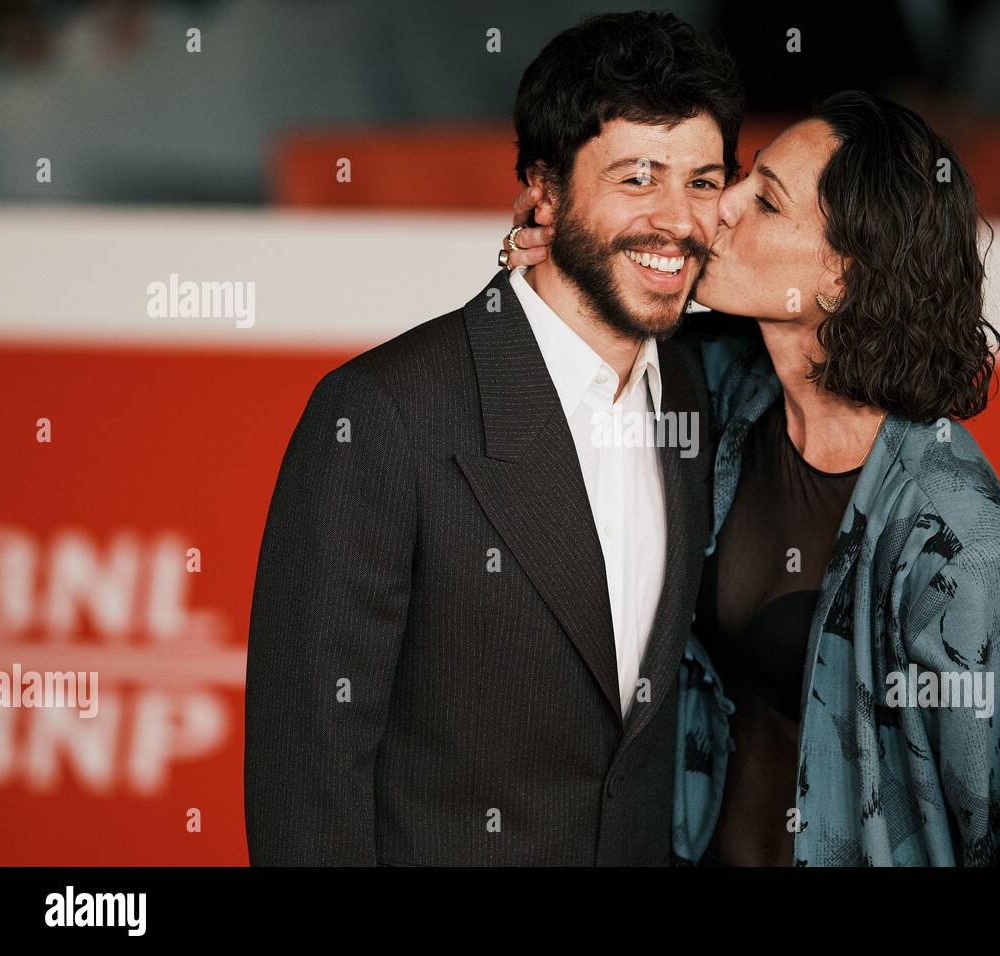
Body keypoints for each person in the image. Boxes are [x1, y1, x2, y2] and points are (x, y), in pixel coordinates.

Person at [503, 90, 1000, 866]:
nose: (721, 204)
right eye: (742, 177)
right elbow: (566, 360)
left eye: (765, 201)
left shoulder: (962, 554)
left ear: (842, 280)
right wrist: (562, 249)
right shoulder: (723, 387)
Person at [243, 11, 741, 866]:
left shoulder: (698, 395)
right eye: (637, 179)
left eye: (702, 182)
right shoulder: (383, 416)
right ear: (543, 191)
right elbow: (307, 790)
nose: (677, 220)